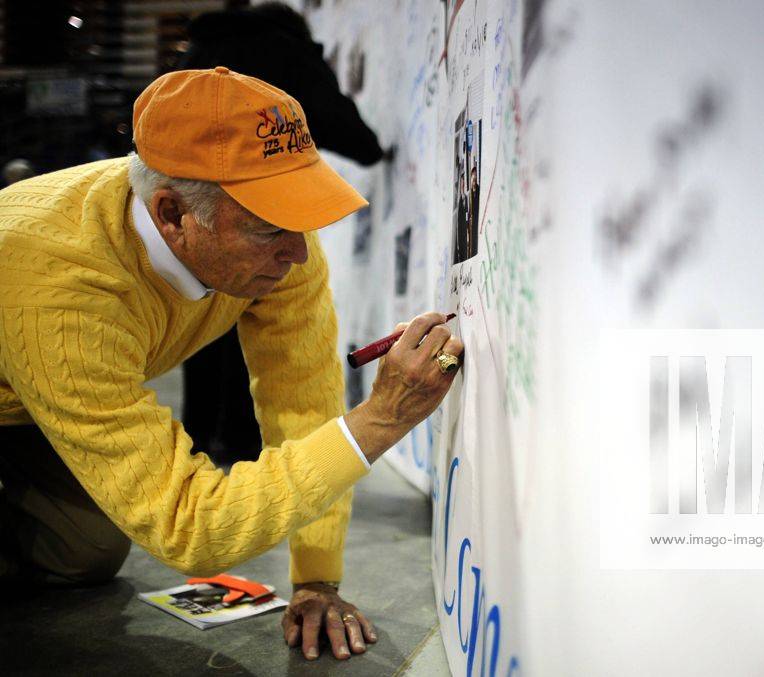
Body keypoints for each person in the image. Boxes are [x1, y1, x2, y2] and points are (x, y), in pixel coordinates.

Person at [0, 68, 463, 663]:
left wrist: (316, 578)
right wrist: (382, 419)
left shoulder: (276, 242)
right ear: (172, 215)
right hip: (26, 339)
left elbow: (301, 399)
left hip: (31, 388)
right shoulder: (61, 289)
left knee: (84, 550)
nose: (298, 253)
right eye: (269, 226)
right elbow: (189, 526)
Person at [178, 2, 390, 465]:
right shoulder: (287, 52)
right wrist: (373, 149)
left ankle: (195, 441)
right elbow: (341, 123)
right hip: (261, 212)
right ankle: (243, 444)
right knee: (263, 331)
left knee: (198, 329)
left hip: (191, 216)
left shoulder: (198, 50)